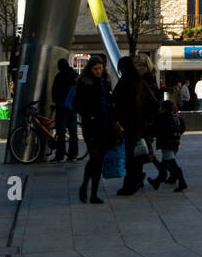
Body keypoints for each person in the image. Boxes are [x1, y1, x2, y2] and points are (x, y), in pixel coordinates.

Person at [113, 55, 161, 195]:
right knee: (137, 154)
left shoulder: (125, 82)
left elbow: (117, 101)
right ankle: (137, 179)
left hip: (129, 124)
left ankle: (131, 183)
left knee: (130, 155)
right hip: (140, 124)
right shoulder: (140, 80)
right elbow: (153, 103)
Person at [74, 55, 115, 204]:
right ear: (90, 69)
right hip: (91, 125)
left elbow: (109, 101)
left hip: (104, 124)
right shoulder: (84, 83)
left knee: (97, 159)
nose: (98, 71)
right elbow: (77, 103)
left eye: (100, 68)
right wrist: (88, 114)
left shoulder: (105, 81)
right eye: (95, 69)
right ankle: (88, 190)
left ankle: (89, 190)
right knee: (95, 158)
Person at [148, 100, 188, 191]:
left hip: (166, 144)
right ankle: (157, 181)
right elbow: (182, 129)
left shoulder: (163, 118)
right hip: (174, 143)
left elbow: (154, 129)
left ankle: (182, 182)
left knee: (172, 164)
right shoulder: (177, 118)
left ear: (164, 109)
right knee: (165, 164)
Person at [51, 57, 79, 161]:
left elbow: (54, 92)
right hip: (73, 107)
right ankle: (73, 154)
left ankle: (60, 155)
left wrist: (56, 101)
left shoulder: (59, 76)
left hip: (62, 107)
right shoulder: (75, 75)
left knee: (61, 133)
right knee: (73, 132)